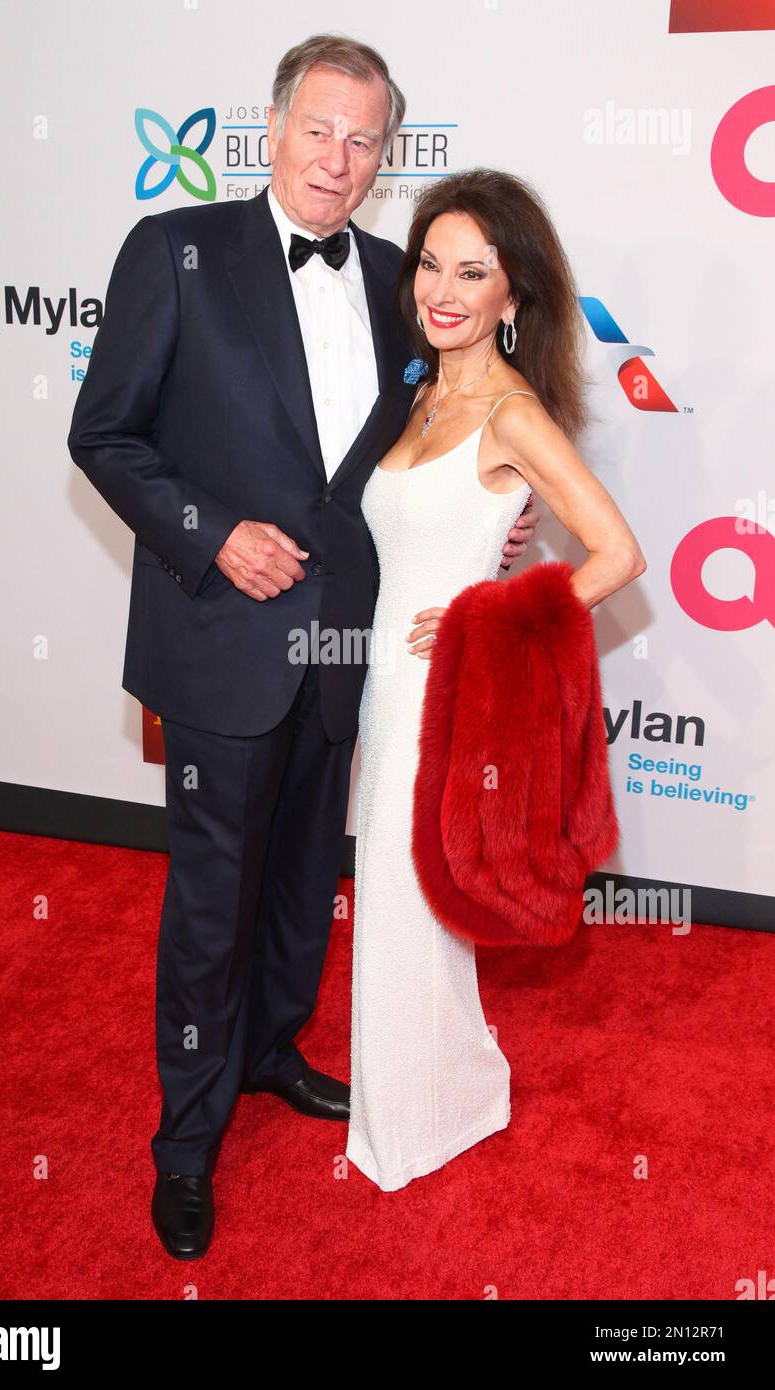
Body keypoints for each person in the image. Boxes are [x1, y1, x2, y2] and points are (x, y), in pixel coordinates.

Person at [67, 34, 538, 1260]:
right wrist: (212, 534)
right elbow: (105, 434)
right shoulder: (173, 250)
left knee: (295, 889)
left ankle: (274, 1051)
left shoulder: (398, 280)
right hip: (219, 638)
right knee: (208, 903)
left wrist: (497, 504)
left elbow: (432, 438)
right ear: (269, 128)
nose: (337, 159)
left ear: (387, 157)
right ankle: (184, 1139)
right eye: (317, 129)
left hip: (349, 646)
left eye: (363, 140)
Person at [346, 168, 646, 1192]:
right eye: (430, 262)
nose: (441, 287)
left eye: (471, 272)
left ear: (509, 297)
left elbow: (615, 553)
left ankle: (413, 1123)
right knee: (401, 901)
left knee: (402, 894)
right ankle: (445, 1093)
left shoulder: (510, 414)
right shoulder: (424, 388)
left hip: (443, 694)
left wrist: (493, 620)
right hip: (384, 687)